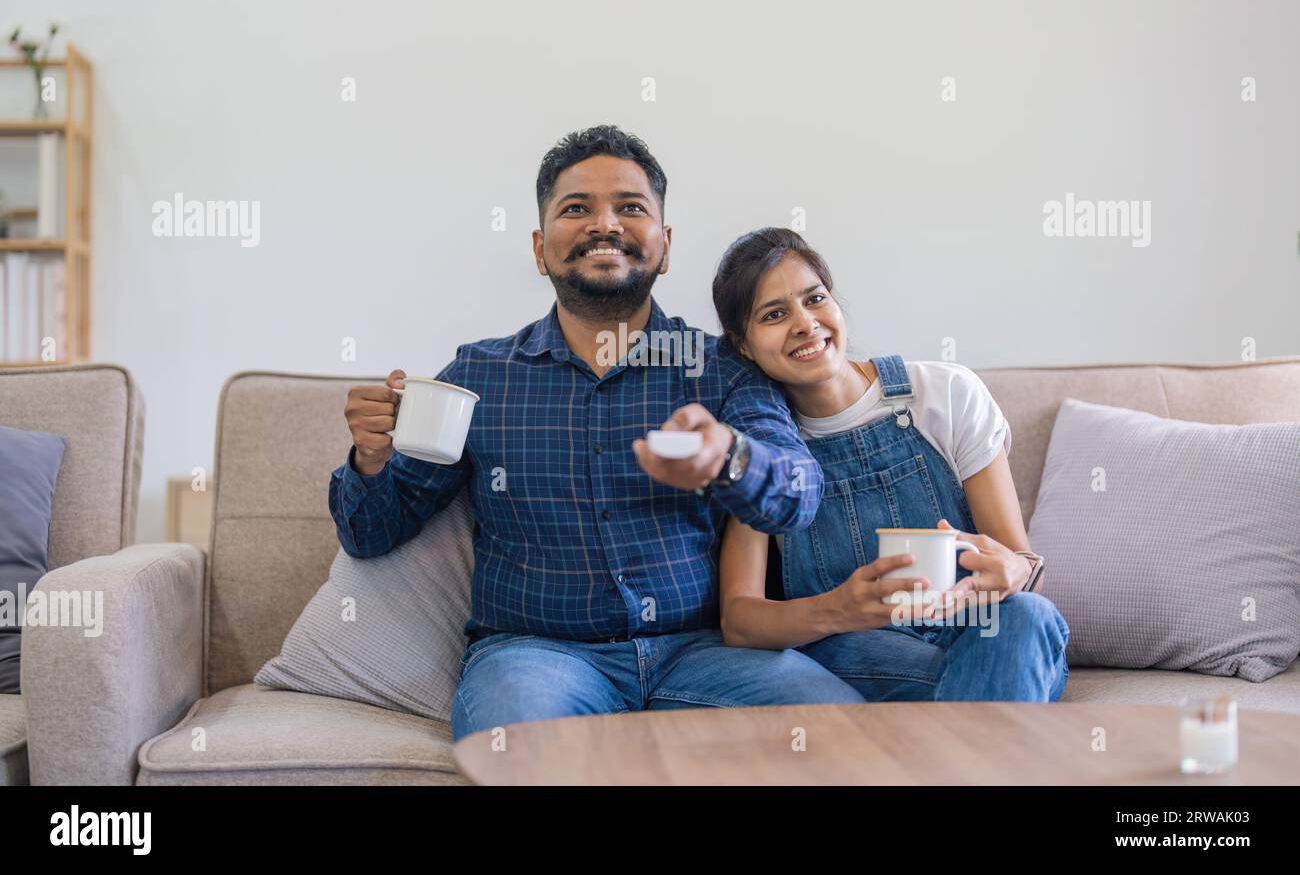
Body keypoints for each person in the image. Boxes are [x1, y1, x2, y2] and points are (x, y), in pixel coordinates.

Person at [328, 128, 864, 742]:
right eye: (576, 208)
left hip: (703, 655)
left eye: (631, 208)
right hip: (537, 659)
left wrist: (729, 456)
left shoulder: (721, 370)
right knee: (522, 748)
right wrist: (370, 460)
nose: (604, 224)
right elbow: (372, 535)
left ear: (665, 246)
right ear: (539, 248)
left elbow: (800, 494)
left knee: (839, 734)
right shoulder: (478, 377)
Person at [711, 227, 1069, 702]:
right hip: (863, 656)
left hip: (981, 635)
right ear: (743, 345)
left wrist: (1016, 571)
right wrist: (836, 610)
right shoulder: (761, 450)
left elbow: (1021, 564)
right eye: (774, 314)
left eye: (815, 298)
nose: (804, 323)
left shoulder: (945, 395)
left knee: (1029, 617)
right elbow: (739, 618)